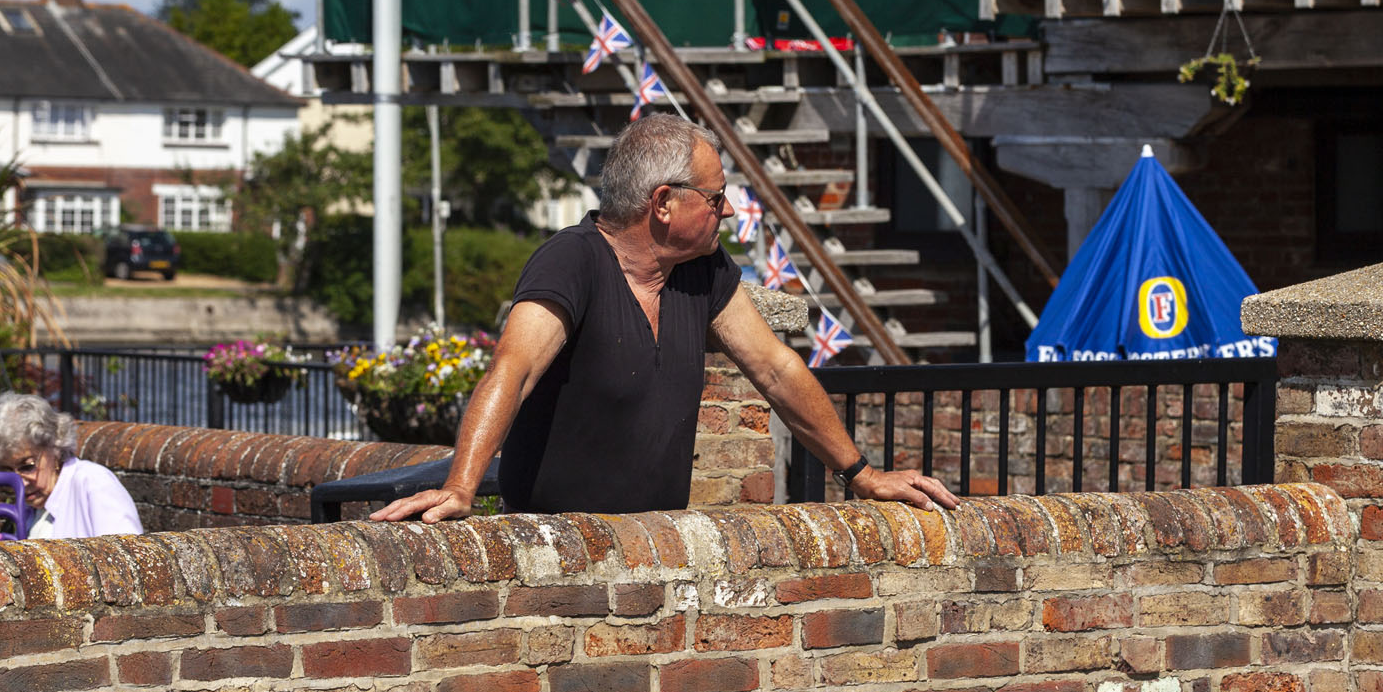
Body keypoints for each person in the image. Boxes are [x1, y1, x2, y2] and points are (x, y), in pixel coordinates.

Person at [374, 114, 959, 522]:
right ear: (662, 203)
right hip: (555, 549)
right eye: (714, 197)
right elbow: (515, 369)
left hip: (659, 549)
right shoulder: (572, 259)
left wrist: (861, 474)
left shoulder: (703, 270)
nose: (726, 210)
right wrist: (460, 488)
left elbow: (776, 368)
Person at [0, 393, 144, 540]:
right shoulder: (31, 506)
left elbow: (128, 561)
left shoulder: (93, 483)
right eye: (7, 470)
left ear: (55, 448)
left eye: (27, 466)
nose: (20, 483)